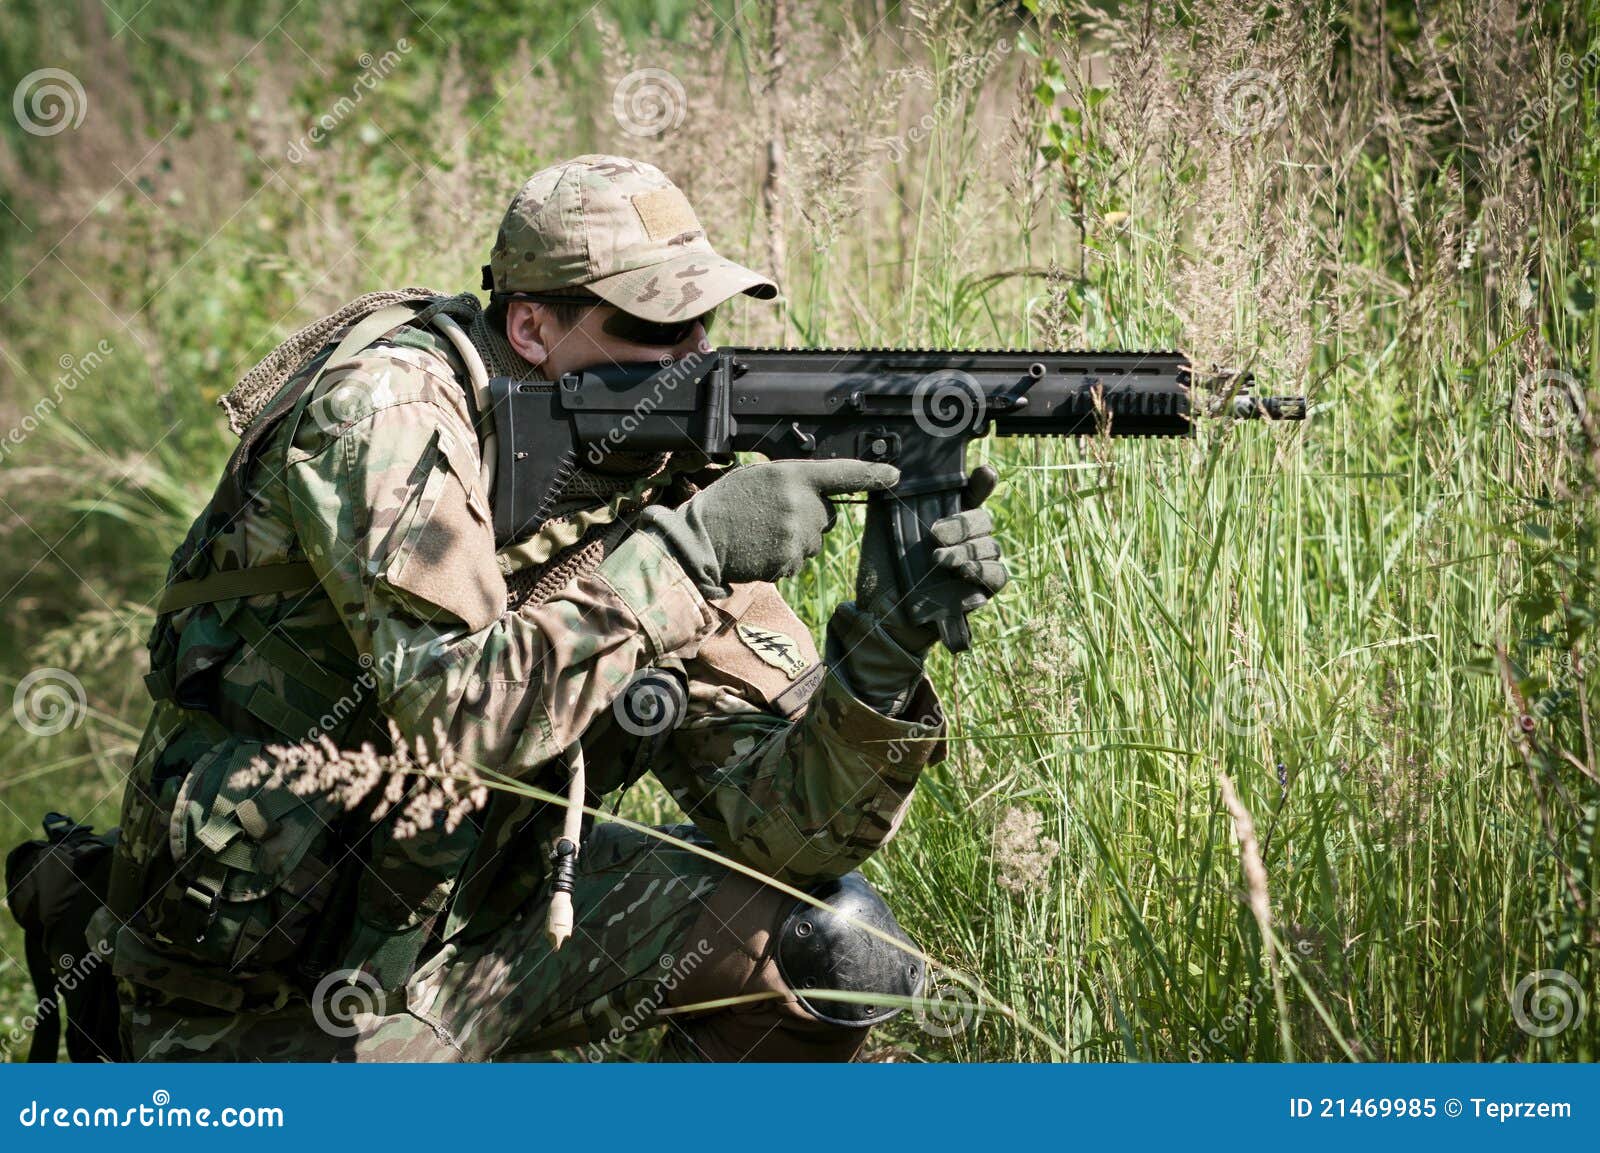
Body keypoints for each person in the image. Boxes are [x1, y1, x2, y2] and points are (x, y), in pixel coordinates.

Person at [106, 154, 1008, 1061]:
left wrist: (886, 650)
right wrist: (686, 559)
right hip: (276, 1000)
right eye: (657, 325)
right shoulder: (386, 414)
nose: (696, 355)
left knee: (836, 945)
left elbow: (790, 831)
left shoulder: (652, 470)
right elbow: (456, 716)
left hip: (484, 936)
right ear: (532, 328)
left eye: (704, 321)